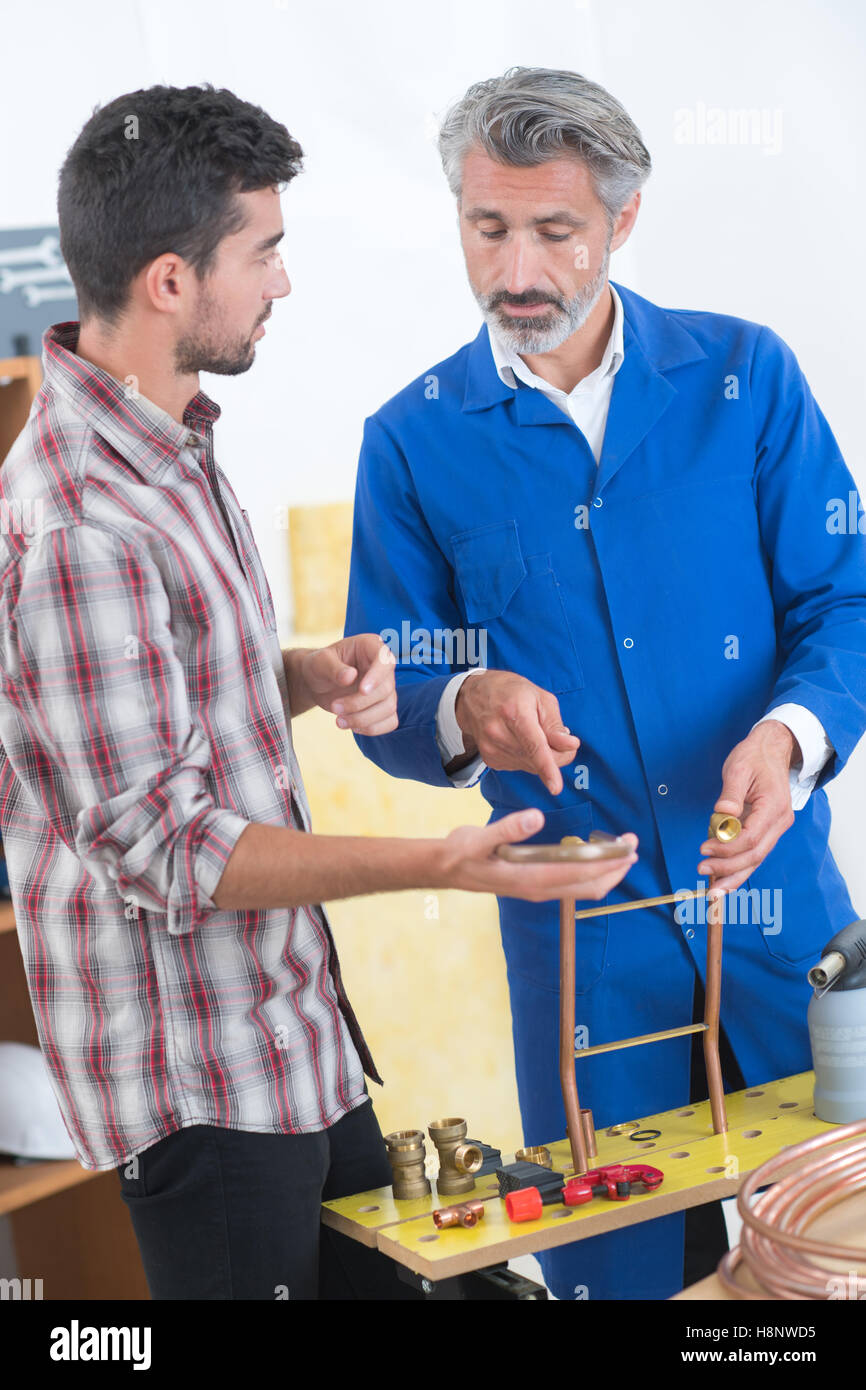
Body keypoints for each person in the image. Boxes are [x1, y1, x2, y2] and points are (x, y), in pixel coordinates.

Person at [0, 83, 639, 1301]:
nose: (282, 283)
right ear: (170, 281)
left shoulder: (169, 437)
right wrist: (439, 863)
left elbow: (167, 699)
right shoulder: (79, 523)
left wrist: (294, 673)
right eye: (264, 250)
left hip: (293, 1047)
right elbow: (169, 846)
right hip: (207, 1096)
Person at [343, 66, 866, 1300]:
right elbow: (392, 688)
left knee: (838, 1249)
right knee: (617, 1275)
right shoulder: (409, 439)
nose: (513, 269)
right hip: (580, 949)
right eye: (486, 228)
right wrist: (459, 708)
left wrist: (789, 739)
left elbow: (841, 599)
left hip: (781, 919)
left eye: (553, 230)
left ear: (622, 222)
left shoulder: (744, 378)